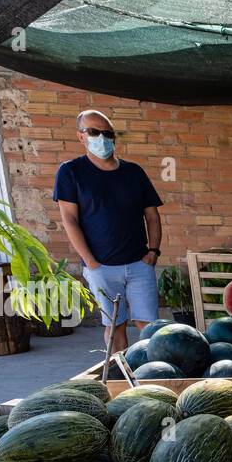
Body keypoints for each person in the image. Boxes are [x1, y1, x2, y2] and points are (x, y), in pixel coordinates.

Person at [55, 109, 164, 356]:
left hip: (139, 264)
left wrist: (153, 252)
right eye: (94, 132)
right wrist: (92, 263)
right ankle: (121, 377)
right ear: (81, 136)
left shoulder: (134, 172)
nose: (102, 138)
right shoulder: (71, 172)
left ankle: (154, 375)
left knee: (149, 327)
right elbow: (69, 220)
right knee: (115, 325)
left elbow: (152, 216)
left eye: (107, 133)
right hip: (101, 265)